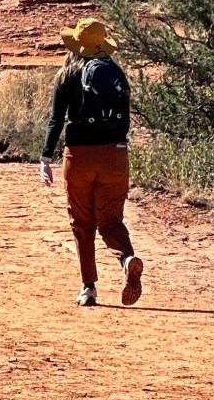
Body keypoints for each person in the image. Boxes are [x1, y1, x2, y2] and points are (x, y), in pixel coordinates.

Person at [41, 16, 143, 308]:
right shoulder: (116, 74)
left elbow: (56, 120)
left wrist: (46, 157)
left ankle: (88, 288)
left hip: (79, 157)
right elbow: (125, 121)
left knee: (82, 224)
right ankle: (126, 259)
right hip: (115, 156)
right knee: (111, 221)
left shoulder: (66, 76)